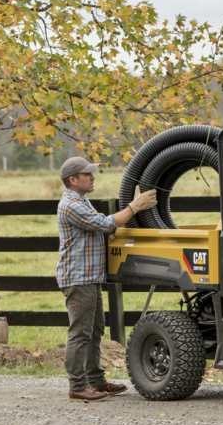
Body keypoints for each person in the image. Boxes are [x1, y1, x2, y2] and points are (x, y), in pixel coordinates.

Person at [57, 156, 158, 403]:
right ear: (73, 179)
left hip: (89, 278)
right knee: (80, 333)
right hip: (79, 279)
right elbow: (104, 223)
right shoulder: (71, 205)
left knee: (94, 331)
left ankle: (97, 381)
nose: (93, 177)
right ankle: (78, 387)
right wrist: (135, 206)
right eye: (87, 174)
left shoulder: (82, 200)